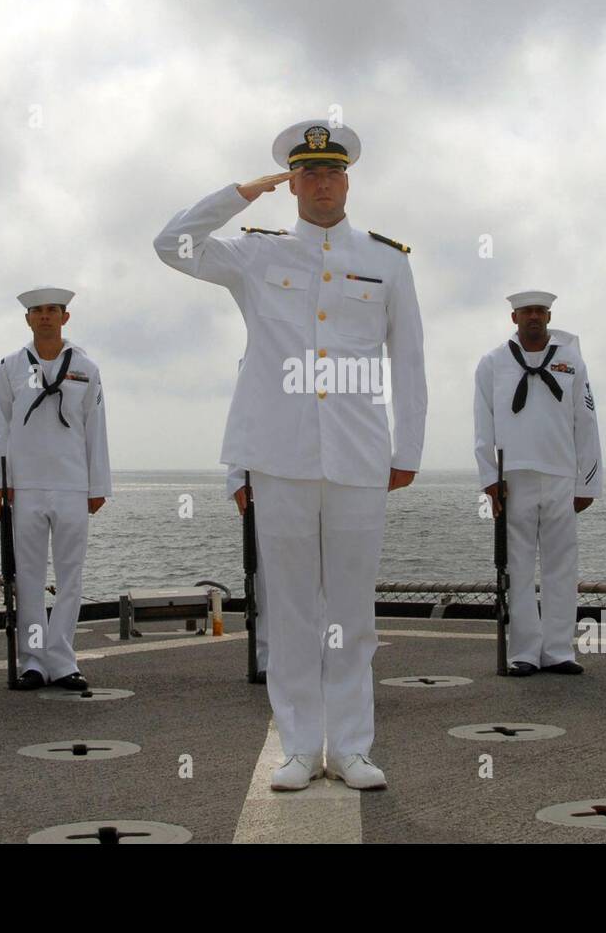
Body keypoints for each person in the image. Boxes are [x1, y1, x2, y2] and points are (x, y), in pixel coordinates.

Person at [153, 118, 427, 791]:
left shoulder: (388, 259)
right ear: (291, 183)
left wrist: (408, 449)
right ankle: (301, 747)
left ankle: (353, 747)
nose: (321, 182)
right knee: (292, 611)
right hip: (278, 455)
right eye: (307, 173)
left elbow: (410, 360)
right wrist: (239, 193)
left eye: (331, 171)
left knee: (354, 613)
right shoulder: (256, 253)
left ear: (347, 179)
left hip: (361, 455)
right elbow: (171, 244)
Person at [474, 290, 602, 676]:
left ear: (549, 316)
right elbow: (483, 423)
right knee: (518, 567)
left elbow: (587, 422)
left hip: (561, 474)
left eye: (541, 311)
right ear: (514, 317)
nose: (534, 317)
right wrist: (488, 478)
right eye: (527, 311)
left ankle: (560, 649)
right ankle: (525, 652)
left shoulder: (570, 360)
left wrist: (588, 482)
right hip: (513, 476)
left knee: (562, 566)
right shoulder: (492, 363)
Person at [0, 287, 112, 690]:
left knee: (70, 575)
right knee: (27, 575)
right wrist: (0, 483)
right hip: (25, 485)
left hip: (72, 484)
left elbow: (96, 431)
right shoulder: (9, 367)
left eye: (52, 311)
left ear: (65, 318)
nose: (45, 317)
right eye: (37, 311)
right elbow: (1, 429)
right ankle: (32, 661)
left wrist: (98, 486)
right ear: (27, 319)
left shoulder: (86, 368)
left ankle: (61, 658)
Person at [228, 464, 269, 680]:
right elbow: (245, 428)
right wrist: (236, 476)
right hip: (267, 483)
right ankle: (266, 658)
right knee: (265, 582)